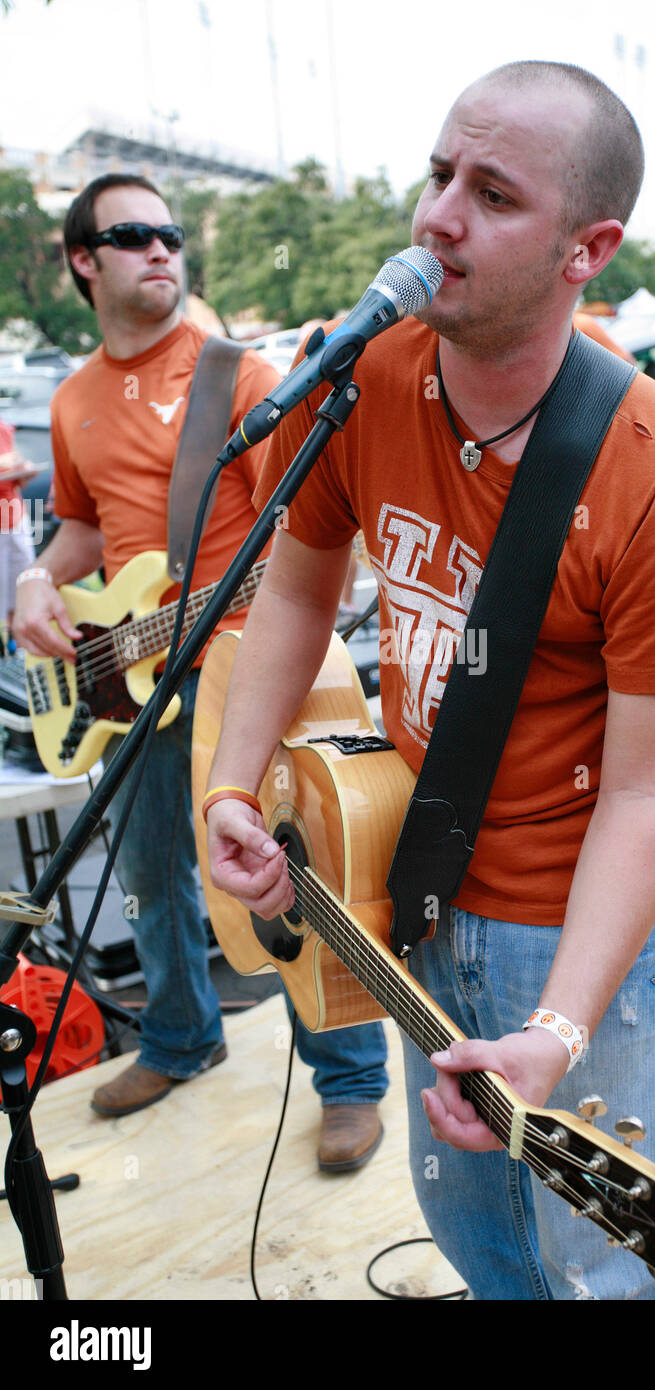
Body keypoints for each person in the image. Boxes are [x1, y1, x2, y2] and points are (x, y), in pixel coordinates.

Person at [204, 61, 655, 1299]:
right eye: (438, 173)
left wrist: (555, 1030)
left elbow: (648, 797)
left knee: (609, 1268)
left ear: (583, 249)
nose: (436, 215)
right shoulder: (368, 377)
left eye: (491, 193)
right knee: (477, 1237)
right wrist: (234, 783)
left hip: (578, 921)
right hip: (412, 880)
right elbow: (294, 587)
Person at [13, 174, 387, 1170]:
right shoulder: (74, 397)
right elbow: (86, 526)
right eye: (133, 235)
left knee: (289, 867)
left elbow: (311, 536)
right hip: (124, 669)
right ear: (83, 262)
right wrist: (38, 583)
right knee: (149, 872)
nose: (161, 250)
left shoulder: (239, 378)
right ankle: (181, 1035)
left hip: (239, 653)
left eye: (170, 233)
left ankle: (349, 1079)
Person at [0, 419, 39, 644]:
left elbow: (15, 476)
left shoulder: (4, 427)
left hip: (15, 519)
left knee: (20, 588)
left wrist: (24, 471)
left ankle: (19, 646)